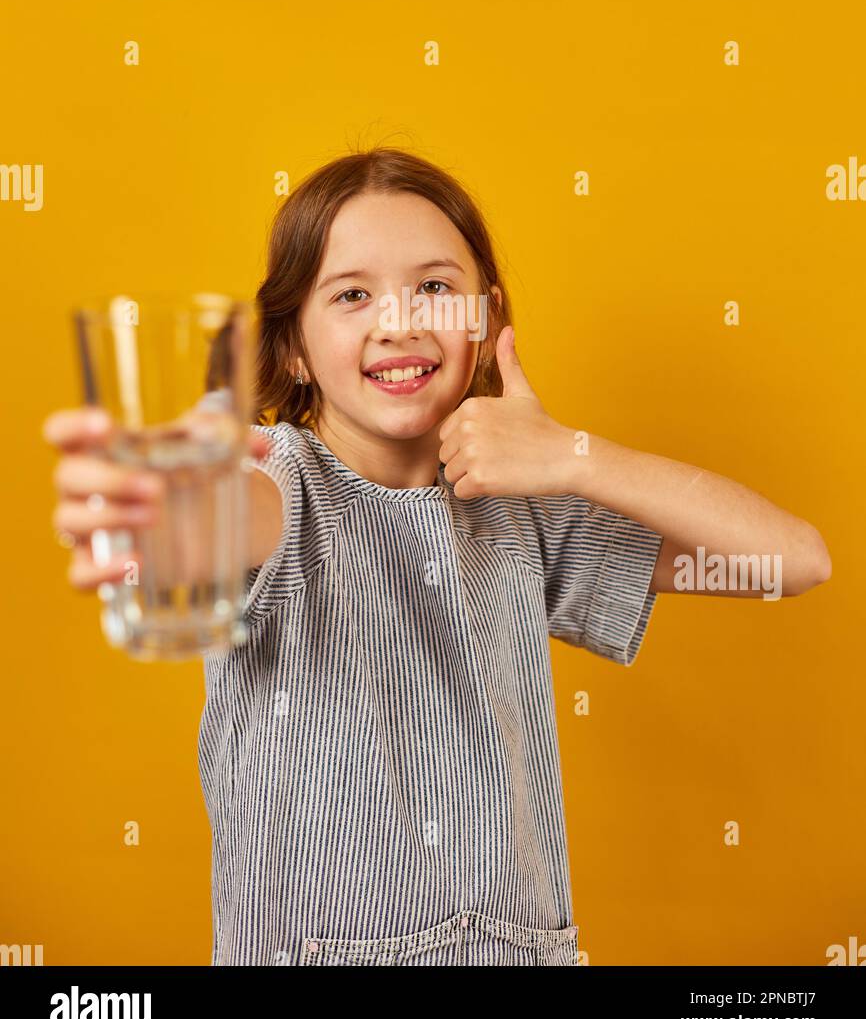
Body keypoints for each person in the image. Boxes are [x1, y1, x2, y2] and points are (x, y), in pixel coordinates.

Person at [43, 147, 832, 966]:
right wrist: (152, 516)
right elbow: (215, 518)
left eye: (434, 288)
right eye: (352, 295)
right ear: (294, 352)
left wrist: (573, 455)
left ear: (485, 321)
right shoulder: (283, 483)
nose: (401, 322)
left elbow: (794, 560)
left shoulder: (524, 505)